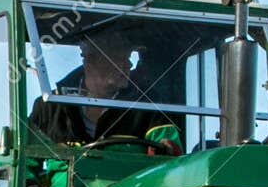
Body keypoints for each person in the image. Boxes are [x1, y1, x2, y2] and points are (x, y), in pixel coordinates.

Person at [28, 30, 176, 149]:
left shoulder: (149, 105)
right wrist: (33, 186)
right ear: (90, 60)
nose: (129, 64)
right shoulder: (49, 107)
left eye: (129, 56)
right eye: (119, 57)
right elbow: (25, 160)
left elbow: (170, 157)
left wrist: (167, 149)